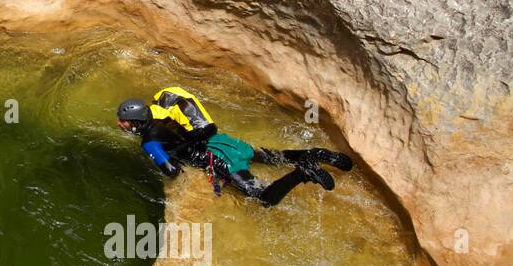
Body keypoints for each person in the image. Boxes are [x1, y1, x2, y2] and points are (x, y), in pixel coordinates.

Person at [116, 87, 353, 206]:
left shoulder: (149, 142)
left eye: (124, 122)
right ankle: (320, 154)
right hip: (223, 141)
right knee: (275, 157)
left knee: (263, 199)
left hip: (218, 159)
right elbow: (177, 100)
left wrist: (165, 161)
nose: (120, 124)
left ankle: (304, 172)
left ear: (137, 123)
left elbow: (172, 171)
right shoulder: (159, 112)